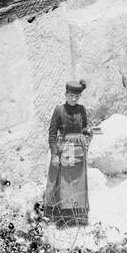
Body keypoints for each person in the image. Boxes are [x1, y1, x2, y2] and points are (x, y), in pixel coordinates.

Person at [43, 79, 92, 226]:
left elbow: (83, 128)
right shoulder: (59, 110)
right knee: (62, 182)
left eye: (77, 96)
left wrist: (90, 132)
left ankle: (75, 218)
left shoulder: (81, 109)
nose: (74, 99)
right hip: (64, 148)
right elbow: (52, 133)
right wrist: (54, 154)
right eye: (71, 95)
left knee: (77, 182)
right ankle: (59, 217)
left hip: (78, 150)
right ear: (66, 95)